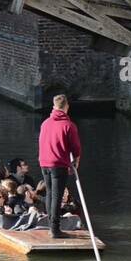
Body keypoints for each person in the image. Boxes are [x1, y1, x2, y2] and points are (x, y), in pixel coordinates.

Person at [38, 94, 82, 238]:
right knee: (57, 195)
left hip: (44, 163)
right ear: (66, 107)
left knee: (50, 193)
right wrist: (76, 159)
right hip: (58, 165)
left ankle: (51, 225)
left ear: (54, 107)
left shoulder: (45, 123)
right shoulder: (69, 125)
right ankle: (55, 230)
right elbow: (75, 147)